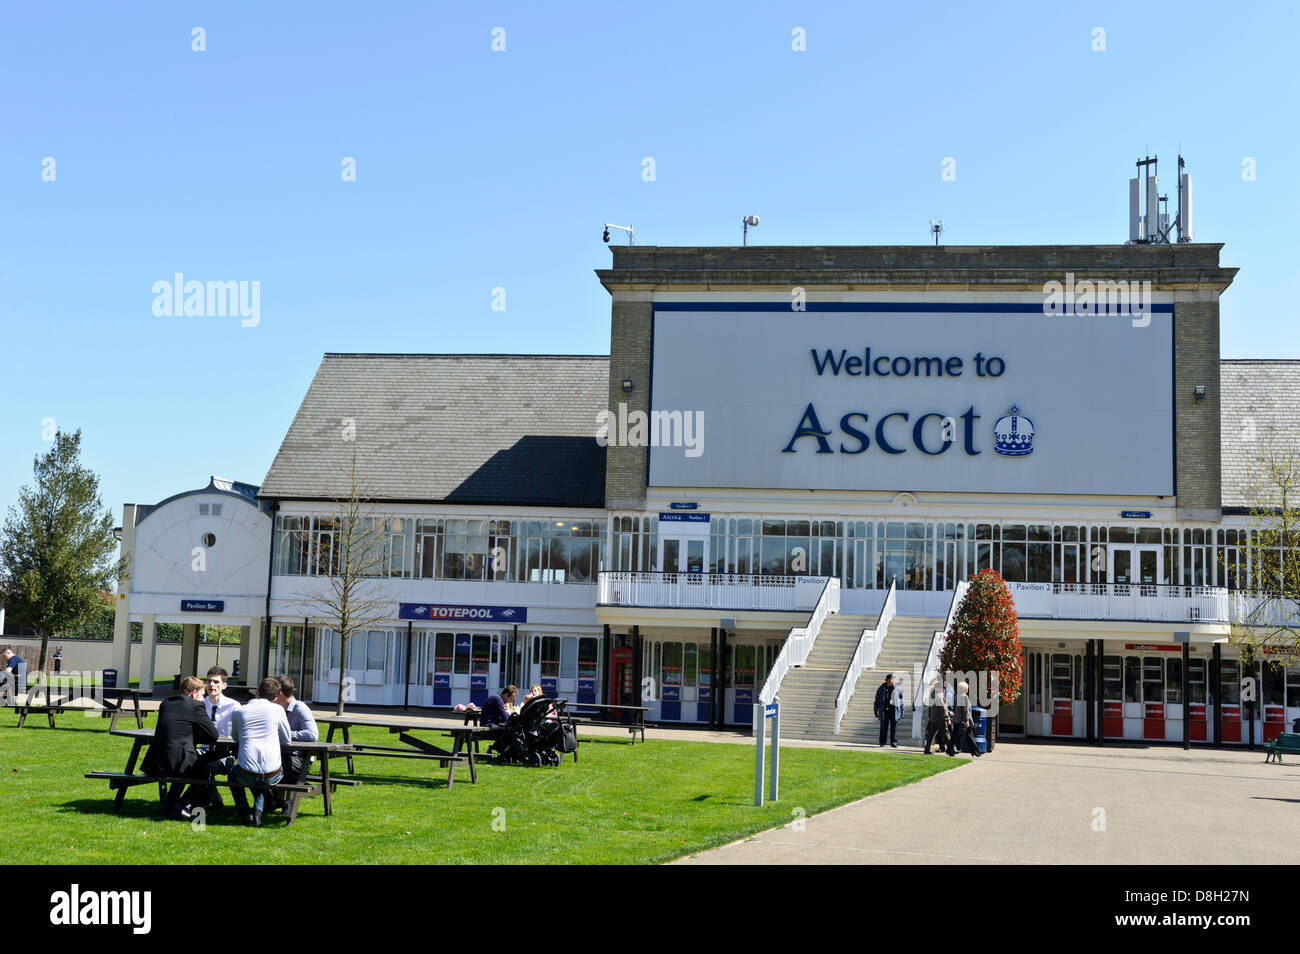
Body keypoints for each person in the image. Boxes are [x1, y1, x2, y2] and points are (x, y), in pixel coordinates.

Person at [141, 676, 219, 820]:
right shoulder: (196, 706)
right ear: (193, 693)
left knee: (186, 769)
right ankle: (181, 806)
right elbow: (213, 735)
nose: (203, 699)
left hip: (156, 762)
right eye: (202, 695)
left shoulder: (166, 703)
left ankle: (168, 806)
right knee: (204, 772)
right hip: (178, 762)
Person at [228, 677, 291, 827]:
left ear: (256, 691)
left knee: (234, 774)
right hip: (273, 773)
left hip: (246, 772)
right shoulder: (278, 710)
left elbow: (235, 738)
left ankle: (245, 812)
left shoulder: (239, 712)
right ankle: (257, 811)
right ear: (276, 698)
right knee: (262, 775)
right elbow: (287, 739)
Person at [274, 674, 318, 784]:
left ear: (279, 693)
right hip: (280, 755)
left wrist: (285, 734)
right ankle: (274, 800)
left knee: (278, 765)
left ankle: (284, 800)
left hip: (299, 758)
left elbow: (312, 735)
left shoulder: (300, 708)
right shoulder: (275, 709)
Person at [949, 680, 981, 758]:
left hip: (958, 720)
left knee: (956, 736)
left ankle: (950, 750)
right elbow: (965, 710)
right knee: (969, 736)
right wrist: (966, 721)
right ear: (965, 689)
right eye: (967, 688)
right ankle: (975, 752)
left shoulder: (957, 697)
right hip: (963, 721)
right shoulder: (965, 697)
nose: (968, 690)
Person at [202, 667, 239, 735]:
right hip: (204, 744)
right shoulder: (200, 704)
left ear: (224, 686)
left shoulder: (233, 706)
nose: (211, 684)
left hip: (226, 744)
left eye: (216, 682)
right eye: (209, 681)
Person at [923, 677, 952, 756]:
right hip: (941, 719)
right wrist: (947, 718)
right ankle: (951, 749)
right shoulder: (940, 696)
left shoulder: (932, 695)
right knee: (946, 734)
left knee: (930, 735)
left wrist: (948, 711)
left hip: (933, 718)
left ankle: (927, 749)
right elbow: (943, 709)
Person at [873, 673, 900, 747]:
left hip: (894, 709)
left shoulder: (897, 688)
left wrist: (902, 711)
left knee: (894, 727)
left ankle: (893, 742)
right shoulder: (881, 688)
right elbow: (877, 700)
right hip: (884, 710)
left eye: (893, 680)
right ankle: (882, 742)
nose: (893, 681)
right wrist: (876, 710)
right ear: (887, 680)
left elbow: (901, 700)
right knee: (883, 727)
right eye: (891, 679)